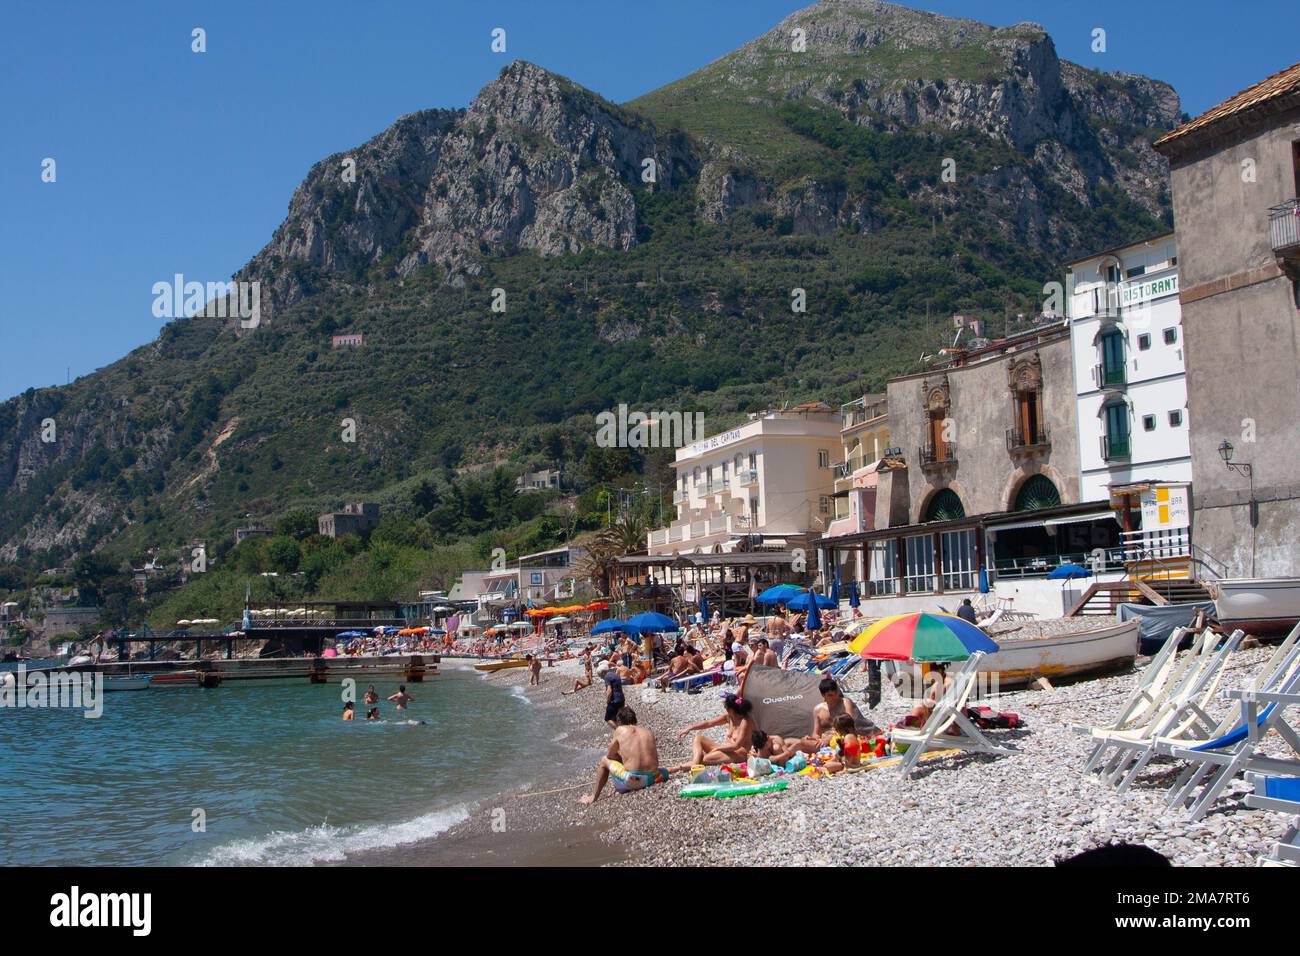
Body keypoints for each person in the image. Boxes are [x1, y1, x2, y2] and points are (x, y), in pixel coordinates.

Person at [579, 707, 669, 805]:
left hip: (633, 780)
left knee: (604, 760)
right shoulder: (648, 731)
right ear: (635, 719)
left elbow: (610, 754)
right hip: (654, 777)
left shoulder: (620, 730)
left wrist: (622, 759)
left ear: (619, 721)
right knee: (662, 771)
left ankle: (592, 798)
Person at [669, 693, 756, 771]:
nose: (725, 710)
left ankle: (675, 769)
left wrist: (718, 748)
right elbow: (709, 723)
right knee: (698, 738)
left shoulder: (745, 721)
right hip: (724, 749)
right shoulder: (729, 717)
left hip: (738, 754)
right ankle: (695, 762)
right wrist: (690, 728)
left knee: (703, 759)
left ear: (731, 709)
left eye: (725, 707)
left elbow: (736, 745)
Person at [602, 661, 627, 727]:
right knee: (618, 717)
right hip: (621, 699)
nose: (601, 677)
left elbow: (609, 690)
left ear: (603, 672)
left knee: (608, 718)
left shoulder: (607, 677)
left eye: (600, 675)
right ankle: (625, 732)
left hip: (614, 701)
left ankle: (619, 731)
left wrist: (607, 702)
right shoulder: (614, 674)